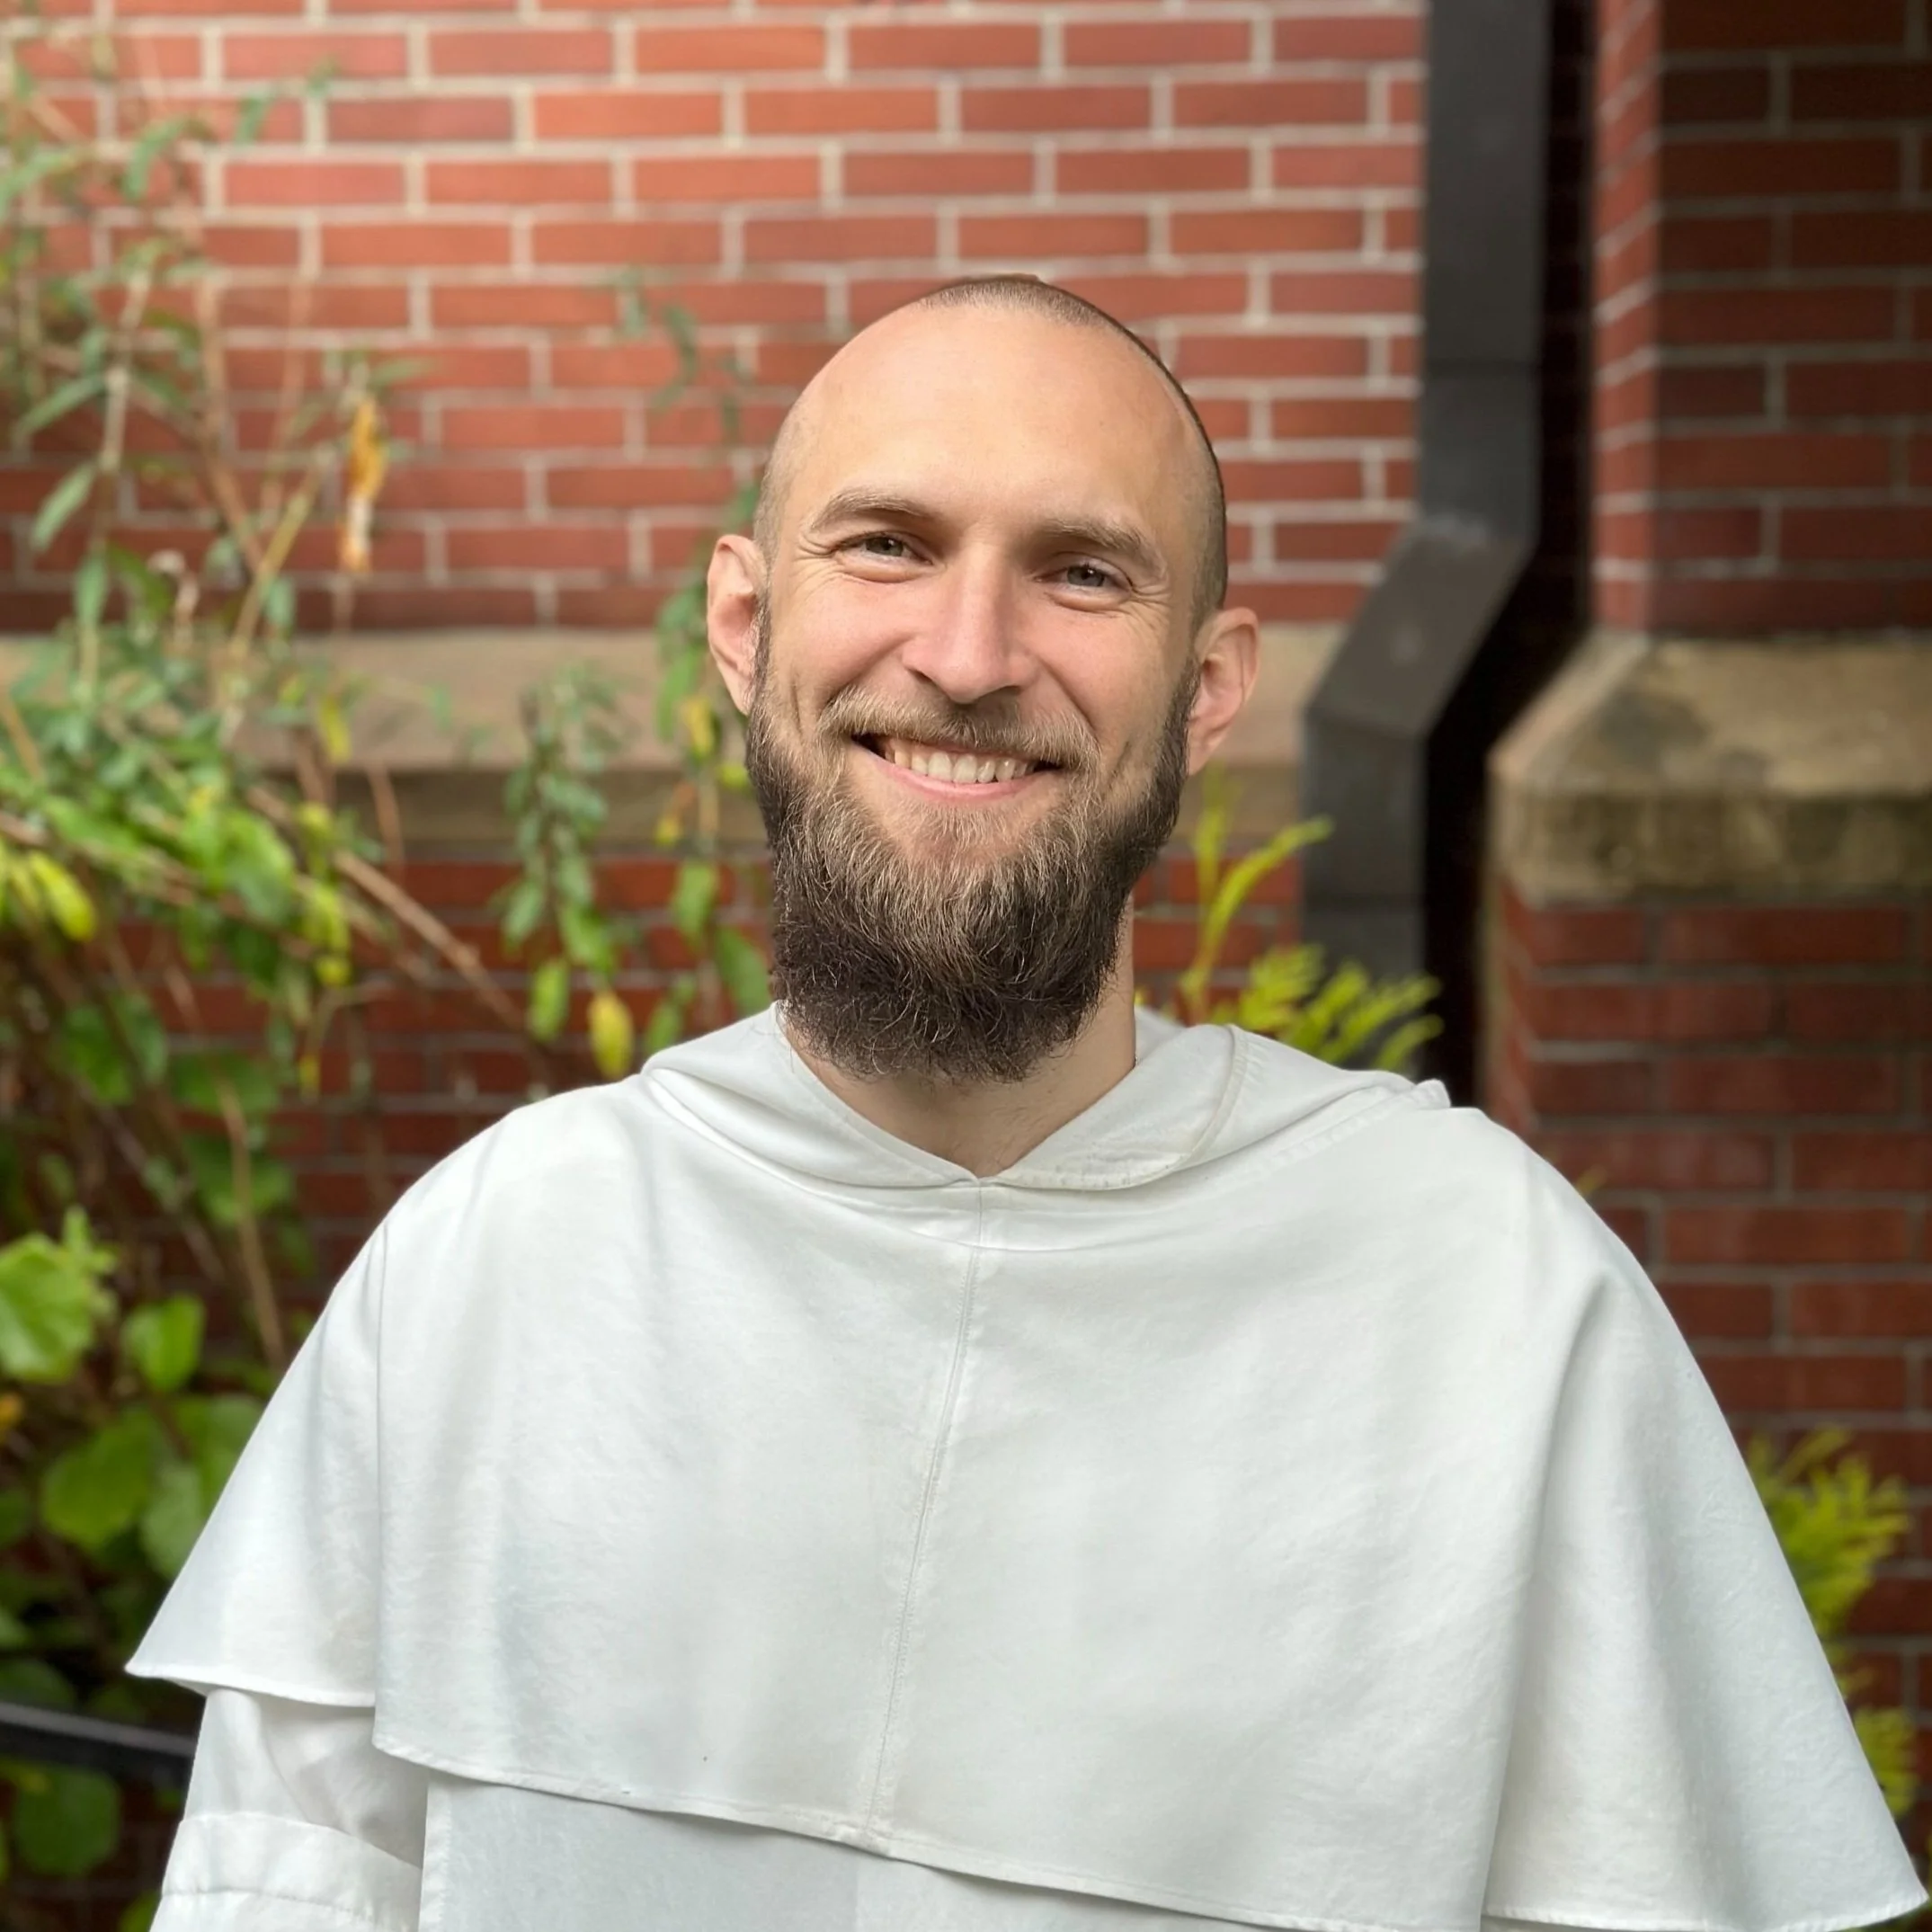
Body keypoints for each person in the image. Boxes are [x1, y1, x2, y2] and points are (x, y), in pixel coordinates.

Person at [131, 278, 1922, 1932]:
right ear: (746, 627)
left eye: (1082, 572)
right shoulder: (494, 1262)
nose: (972, 650)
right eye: (890, 544)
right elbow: (281, 1885)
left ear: (1208, 691)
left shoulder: (1490, 1300)